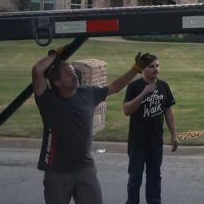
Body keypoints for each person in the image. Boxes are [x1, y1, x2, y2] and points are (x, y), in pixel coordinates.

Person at [31, 49, 143, 204]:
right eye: (68, 74)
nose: (74, 75)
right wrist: (55, 55)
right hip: (57, 173)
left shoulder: (88, 93)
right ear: (57, 82)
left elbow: (114, 87)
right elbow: (37, 70)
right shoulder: (47, 100)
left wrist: (135, 69)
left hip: (85, 170)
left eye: (73, 72)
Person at [123, 53, 178, 204]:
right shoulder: (135, 86)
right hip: (137, 143)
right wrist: (144, 93)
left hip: (155, 142)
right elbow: (127, 110)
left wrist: (174, 134)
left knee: (154, 179)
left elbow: (168, 110)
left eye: (157, 66)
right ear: (144, 69)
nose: (156, 69)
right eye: (151, 66)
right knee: (135, 179)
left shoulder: (163, 86)